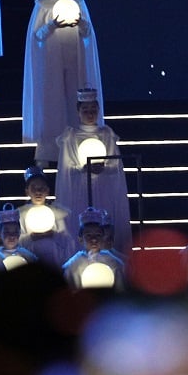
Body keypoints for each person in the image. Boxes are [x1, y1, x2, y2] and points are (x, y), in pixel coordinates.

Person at [22, 0, 104, 166]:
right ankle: (48, 152)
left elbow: (88, 33)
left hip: (74, 59)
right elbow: (36, 36)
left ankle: (77, 148)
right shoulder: (43, 4)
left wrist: (80, 23)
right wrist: (53, 25)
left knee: (73, 101)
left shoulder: (78, 1)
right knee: (52, 103)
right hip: (52, 62)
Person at [55, 87, 132, 253]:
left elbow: (115, 165)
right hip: (81, 190)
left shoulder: (106, 134)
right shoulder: (71, 136)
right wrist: (83, 169)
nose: (90, 114)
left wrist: (103, 168)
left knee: (104, 221)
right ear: (78, 111)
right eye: (85, 110)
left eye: (93, 110)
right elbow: (67, 168)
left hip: (103, 188)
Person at [17, 166, 76, 270]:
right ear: (27, 191)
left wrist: (53, 235)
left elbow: (69, 240)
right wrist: (30, 238)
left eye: (41, 188)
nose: (38, 192)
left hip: (54, 261)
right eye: (34, 188)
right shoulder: (20, 215)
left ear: (47, 191)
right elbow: (16, 241)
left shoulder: (60, 213)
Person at [62, 207, 126, 291]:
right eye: (88, 235)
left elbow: (120, 289)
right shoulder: (73, 265)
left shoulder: (114, 263)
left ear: (103, 237)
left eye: (98, 235)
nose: (94, 239)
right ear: (81, 239)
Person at [0, 204, 38, 270]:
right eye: (7, 232)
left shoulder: (28, 256)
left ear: (19, 233)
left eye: (15, 232)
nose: (11, 236)